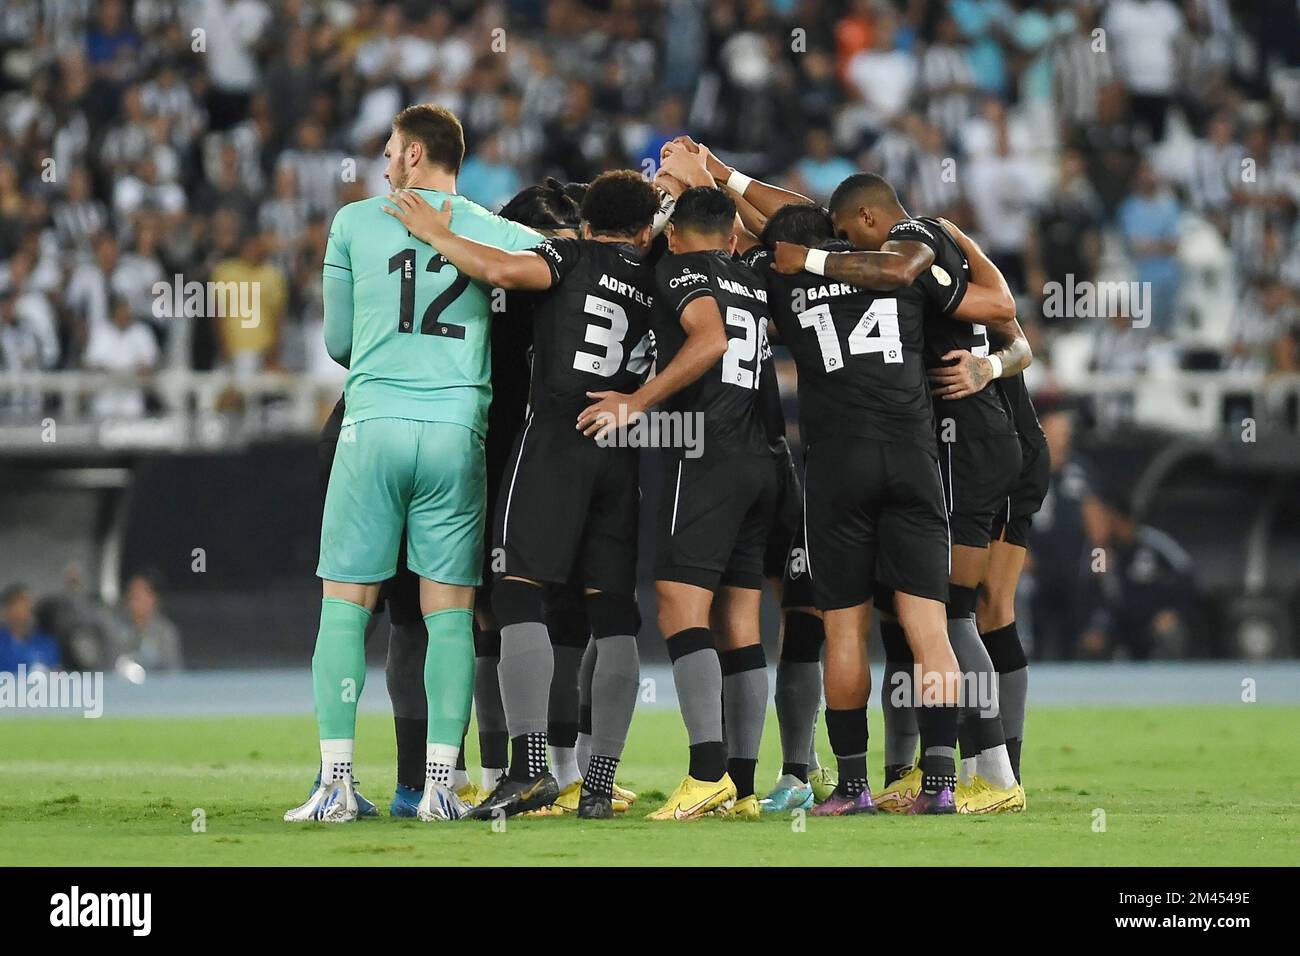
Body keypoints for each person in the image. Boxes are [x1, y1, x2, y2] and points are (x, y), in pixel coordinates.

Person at [283, 104, 542, 825]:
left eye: (395, 150)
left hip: (372, 427)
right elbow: (555, 267)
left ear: (418, 158)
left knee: (344, 608)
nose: (387, 162)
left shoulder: (354, 223)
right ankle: (438, 788)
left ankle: (335, 783)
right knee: (451, 616)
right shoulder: (494, 229)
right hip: (458, 431)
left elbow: (339, 343)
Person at [386, 169, 658, 820]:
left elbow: (505, 272)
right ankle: (597, 783)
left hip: (556, 445)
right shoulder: (658, 273)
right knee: (613, 613)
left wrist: (433, 230)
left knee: (515, 594)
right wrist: (642, 401)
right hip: (622, 448)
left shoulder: (568, 254)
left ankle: (529, 768)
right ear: (646, 231)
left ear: (587, 224)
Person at [577, 186, 777, 821]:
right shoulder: (749, 274)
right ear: (730, 234)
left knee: (679, 607)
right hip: (760, 457)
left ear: (678, 232)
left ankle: (705, 774)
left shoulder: (681, 268)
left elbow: (709, 340)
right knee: (740, 626)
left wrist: (634, 404)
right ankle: (742, 788)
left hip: (704, 453)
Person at [113, 572, 184, 672]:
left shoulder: (165, 632)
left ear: (153, 598)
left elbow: (173, 671)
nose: (134, 599)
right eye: (132, 594)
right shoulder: (115, 628)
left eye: (140, 594)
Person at [0, 584, 62, 673]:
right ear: (7, 608)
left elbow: (57, 673)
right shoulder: (2, 644)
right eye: (21, 601)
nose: (28, 605)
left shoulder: (46, 642)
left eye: (29, 601)